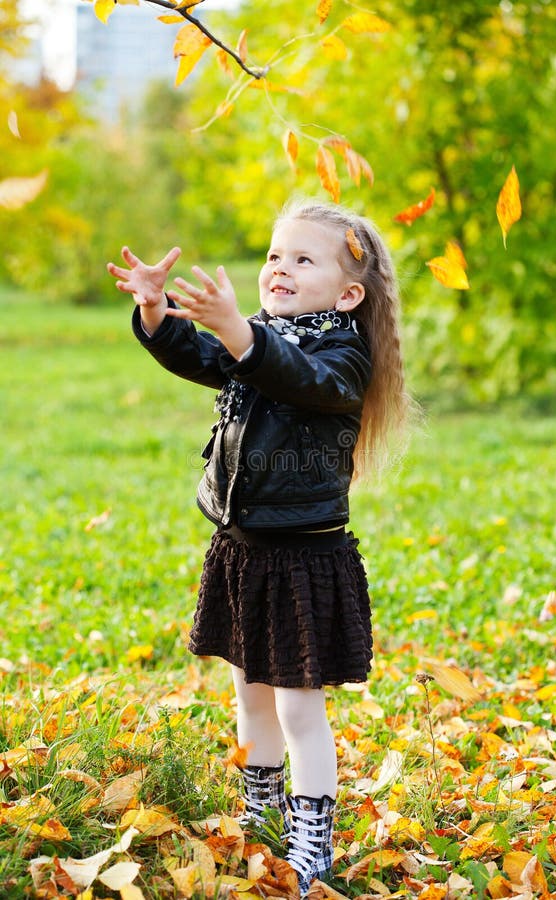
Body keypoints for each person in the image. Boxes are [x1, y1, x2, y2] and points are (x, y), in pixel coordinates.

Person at [107, 201, 407, 894]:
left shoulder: (342, 354)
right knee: (251, 695)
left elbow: (297, 378)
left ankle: (313, 841)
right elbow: (203, 354)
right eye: (276, 255)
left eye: (304, 259)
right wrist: (155, 312)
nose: (281, 268)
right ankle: (262, 814)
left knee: (301, 708)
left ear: (349, 291)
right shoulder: (263, 335)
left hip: (303, 557)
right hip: (242, 550)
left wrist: (243, 333)